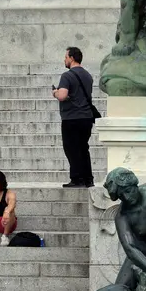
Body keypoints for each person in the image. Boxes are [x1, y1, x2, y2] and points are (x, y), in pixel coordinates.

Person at [54, 46, 95, 188]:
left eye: (66, 57)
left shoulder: (67, 76)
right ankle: (88, 179)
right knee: (83, 148)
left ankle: (77, 178)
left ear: (72, 58)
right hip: (86, 117)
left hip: (71, 118)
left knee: (71, 148)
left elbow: (62, 95)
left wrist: (55, 92)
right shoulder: (88, 75)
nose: (64, 60)